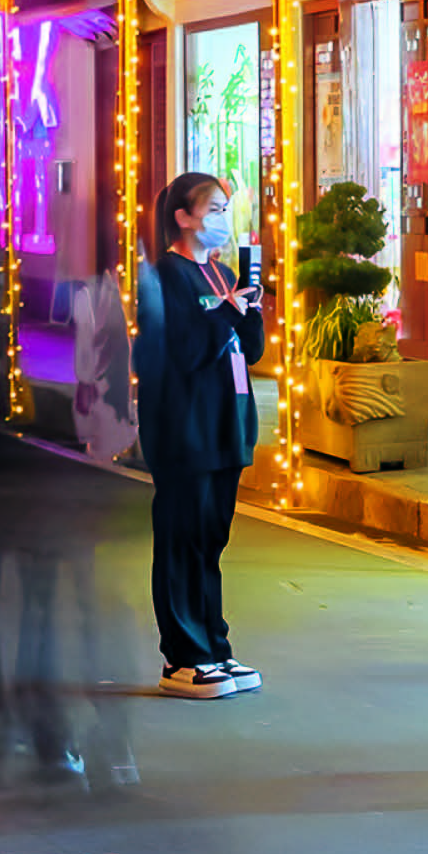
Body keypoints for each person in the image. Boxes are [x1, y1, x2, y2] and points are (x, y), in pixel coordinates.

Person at [132, 172, 264, 698]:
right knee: (183, 540)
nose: (223, 220)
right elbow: (184, 351)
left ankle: (214, 647)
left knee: (211, 541)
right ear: (183, 217)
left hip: (225, 424)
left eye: (226, 210)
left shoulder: (221, 272)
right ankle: (182, 658)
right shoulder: (167, 276)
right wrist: (225, 312)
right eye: (213, 210)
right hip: (184, 428)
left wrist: (247, 309)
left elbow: (249, 351)